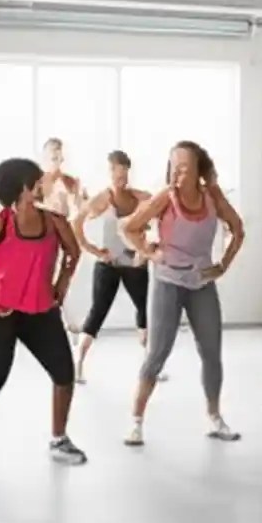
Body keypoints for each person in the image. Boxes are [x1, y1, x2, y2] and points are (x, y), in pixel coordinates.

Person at [0, 157, 86, 471]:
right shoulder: (0, 222)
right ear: (23, 189)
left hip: (40, 309)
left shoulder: (55, 222)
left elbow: (73, 252)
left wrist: (62, 283)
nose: (44, 185)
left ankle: (59, 438)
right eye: (38, 182)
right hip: (0, 312)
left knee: (64, 374)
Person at [120, 141, 244, 445]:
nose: (178, 171)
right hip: (167, 281)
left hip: (201, 282)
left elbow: (238, 228)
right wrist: (149, 253)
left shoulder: (212, 197)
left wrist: (223, 264)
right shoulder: (166, 197)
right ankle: (136, 421)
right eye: (174, 165)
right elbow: (128, 228)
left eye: (185, 165)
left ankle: (215, 418)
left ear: (199, 170)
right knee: (157, 353)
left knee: (211, 352)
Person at [71, 150, 151, 383]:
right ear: (109, 172)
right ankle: (79, 363)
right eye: (116, 172)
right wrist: (93, 250)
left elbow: (161, 216)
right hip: (109, 265)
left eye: (125, 172)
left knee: (145, 309)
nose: (121, 177)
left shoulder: (141, 197)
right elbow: (76, 223)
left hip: (135, 263)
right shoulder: (102, 199)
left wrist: (147, 249)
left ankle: (149, 364)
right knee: (98, 312)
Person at [37, 137, 85, 334]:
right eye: (53, 156)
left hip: (63, 227)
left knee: (70, 261)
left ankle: (60, 304)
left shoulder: (69, 181)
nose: (58, 160)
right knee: (46, 270)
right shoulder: (39, 181)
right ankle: (51, 313)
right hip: (45, 228)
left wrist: (77, 195)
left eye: (60, 156)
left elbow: (78, 207)